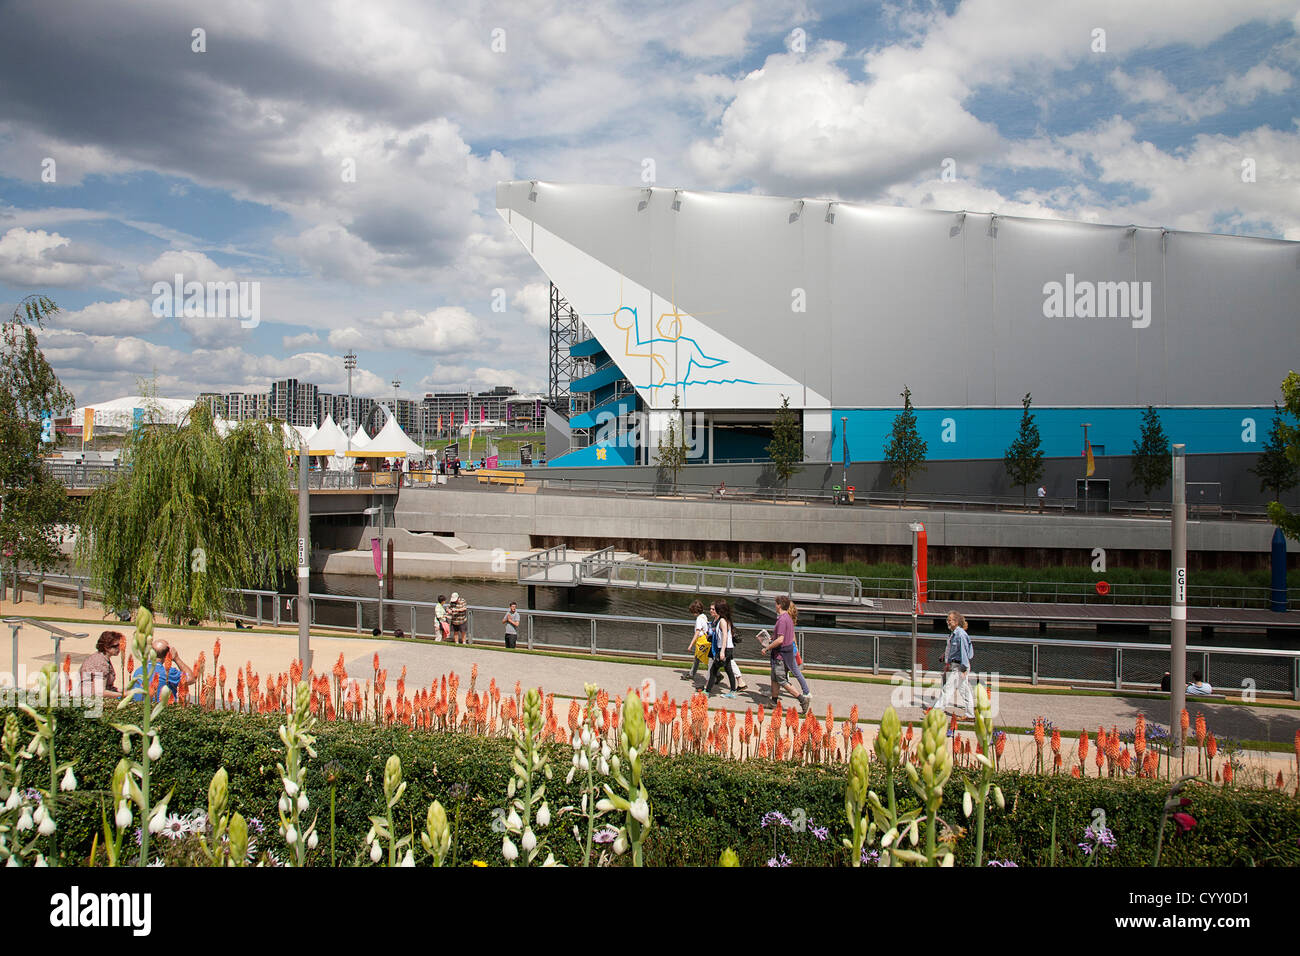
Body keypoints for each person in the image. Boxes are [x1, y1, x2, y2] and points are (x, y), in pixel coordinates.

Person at [765, 596, 811, 714]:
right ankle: (773, 702)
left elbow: (781, 640)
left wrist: (767, 647)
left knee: (781, 679)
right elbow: (785, 637)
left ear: (779, 605)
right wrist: (772, 638)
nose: (774, 606)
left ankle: (802, 699)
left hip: (780, 655)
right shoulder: (788, 618)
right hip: (785, 654)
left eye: (775, 604)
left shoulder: (781, 620)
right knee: (774, 678)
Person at [129, 639, 198, 703]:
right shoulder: (168, 672)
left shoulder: (138, 671)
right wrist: (177, 658)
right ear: (168, 654)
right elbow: (191, 679)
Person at [942, 611, 975, 719]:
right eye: (947, 619)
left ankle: (936, 711)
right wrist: (945, 657)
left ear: (956, 621)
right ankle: (970, 715)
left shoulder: (960, 634)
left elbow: (964, 652)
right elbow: (953, 650)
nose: (948, 621)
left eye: (950, 619)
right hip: (956, 665)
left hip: (960, 666)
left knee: (947, 689)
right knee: (964, 691)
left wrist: (964, 668)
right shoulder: (954, 634)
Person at [704, 599, 737, 698]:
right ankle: (732, 691)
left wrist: (722, 651)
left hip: (725, 649)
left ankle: (707, 692)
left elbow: (725, 636)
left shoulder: (722, 621)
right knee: (728, 669)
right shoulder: (722, 620)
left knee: (713, 670)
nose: (714, 610)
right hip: (726, 648)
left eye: (716, 609)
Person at [79, 630, 124, 698]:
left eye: (119, 645)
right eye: (115, 646)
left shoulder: (101, 657)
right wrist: (124, 695)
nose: (119, 648)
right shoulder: (100, 663)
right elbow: (99, 692)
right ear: (106, 647)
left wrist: (122, 691)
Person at [684, 600, 711, 683]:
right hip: (705, 640)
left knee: (703, 658)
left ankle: (717, 674)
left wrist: (691, 644)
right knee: (699, 658)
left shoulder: (699, 619)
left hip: (701, 641)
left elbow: (697, 632)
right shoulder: (704, 616)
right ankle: (691, 673)